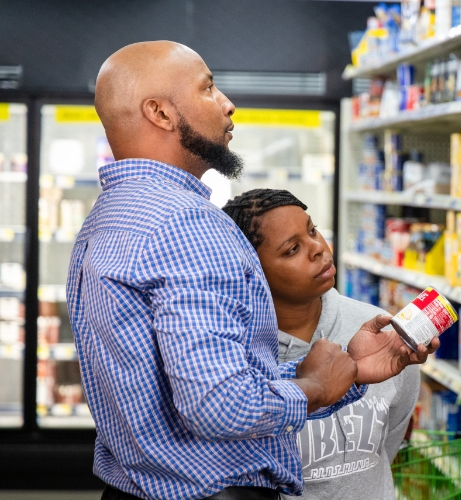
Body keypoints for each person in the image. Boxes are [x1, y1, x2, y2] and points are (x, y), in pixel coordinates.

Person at [67, 41, 437, 500]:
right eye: (208, 88)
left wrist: (348, 371)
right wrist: (316, 388)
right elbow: (217, 406)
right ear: (160, 113)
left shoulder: (107, 217)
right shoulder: (188, 224)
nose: (227, 103)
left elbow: (197, 386)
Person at [221, 189, 419, 500]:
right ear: (253, 270)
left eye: (312, 230)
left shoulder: (377, 330)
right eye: (292, 249)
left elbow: (391, 437)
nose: (317, 248)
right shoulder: (235, 354)